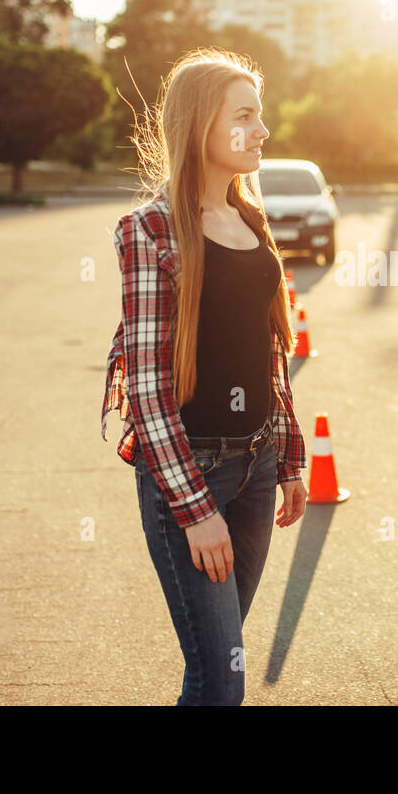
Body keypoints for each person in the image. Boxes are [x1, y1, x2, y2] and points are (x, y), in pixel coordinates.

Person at [100, 47, 308, 705]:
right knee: (221, 682)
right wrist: (194, 512)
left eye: (262, 114)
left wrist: (291, 456)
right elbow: (149, 392)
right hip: (191, 473)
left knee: (218, 666)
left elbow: (270, 351)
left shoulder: (250, 217)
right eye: (245, 115)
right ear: (200, 127)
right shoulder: (150, 230)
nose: (263, 130)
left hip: (257, 464)